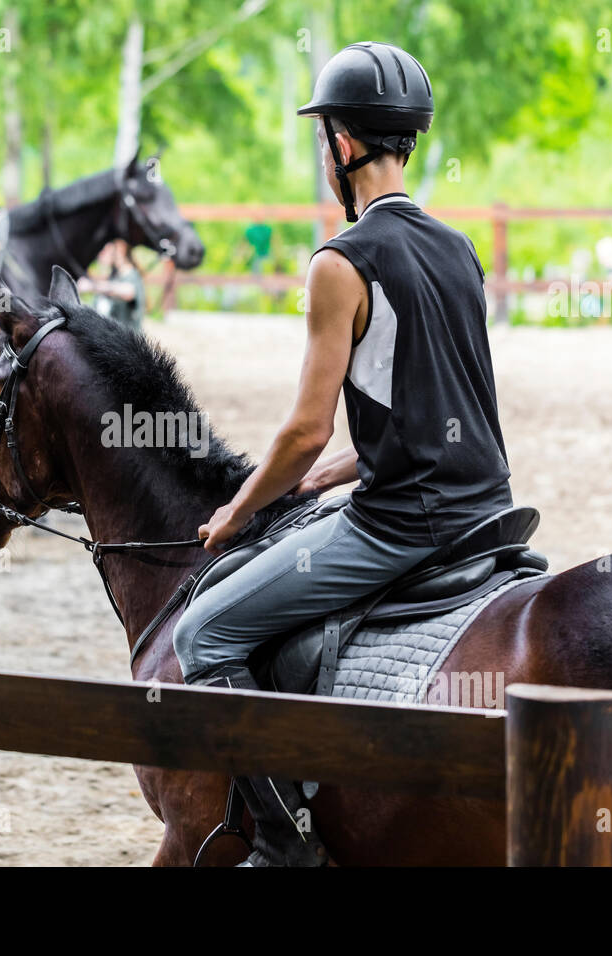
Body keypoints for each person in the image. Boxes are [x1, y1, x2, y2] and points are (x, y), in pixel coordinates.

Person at [171, 41, 514, 866]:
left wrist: (235, 512)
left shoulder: (341, 261)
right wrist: (350, 466)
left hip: (403, 527)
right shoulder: (458, 248)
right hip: (491, 512)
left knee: (203, 638)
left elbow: (301, 432)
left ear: (344, 145)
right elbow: (444, 409)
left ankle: (288, 847)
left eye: (325, 134)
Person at [77, 240, 145, 329]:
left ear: (119, 251)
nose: (100, 253)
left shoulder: (132, 276)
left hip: (123, 340)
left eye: (105, 250)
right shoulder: (114, 276)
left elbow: (128, 291)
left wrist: (91, 286)